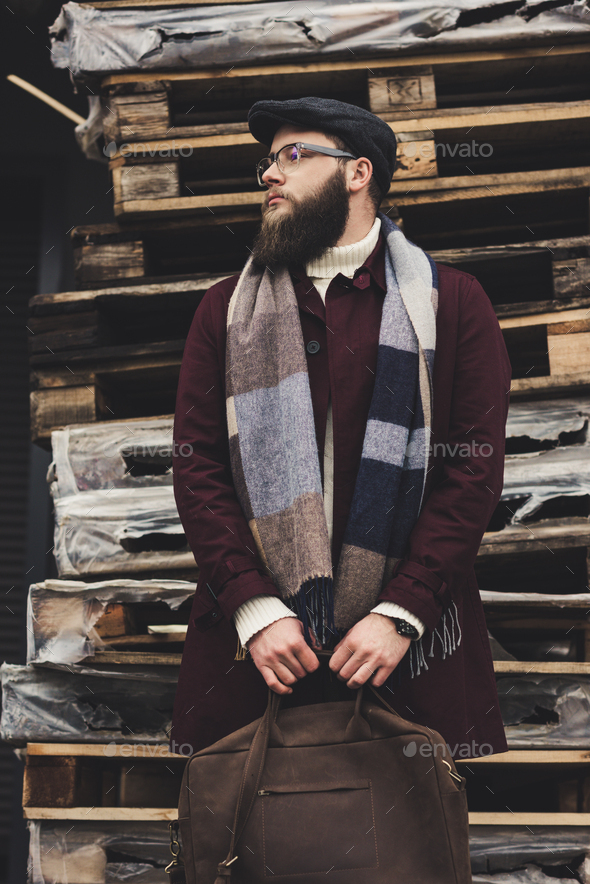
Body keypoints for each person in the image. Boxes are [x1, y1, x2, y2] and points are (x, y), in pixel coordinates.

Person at [169, 97, 511, 761]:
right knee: (246, 851)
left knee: (404, 855)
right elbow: (198, 467)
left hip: (405, 660)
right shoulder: (224, 311)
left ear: (358, 174)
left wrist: (401, 612)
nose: (269, 174)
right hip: (257, 660)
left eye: (292, 156)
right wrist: (254, 609)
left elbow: (471, 475)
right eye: (266, 162)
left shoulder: (455, 304)